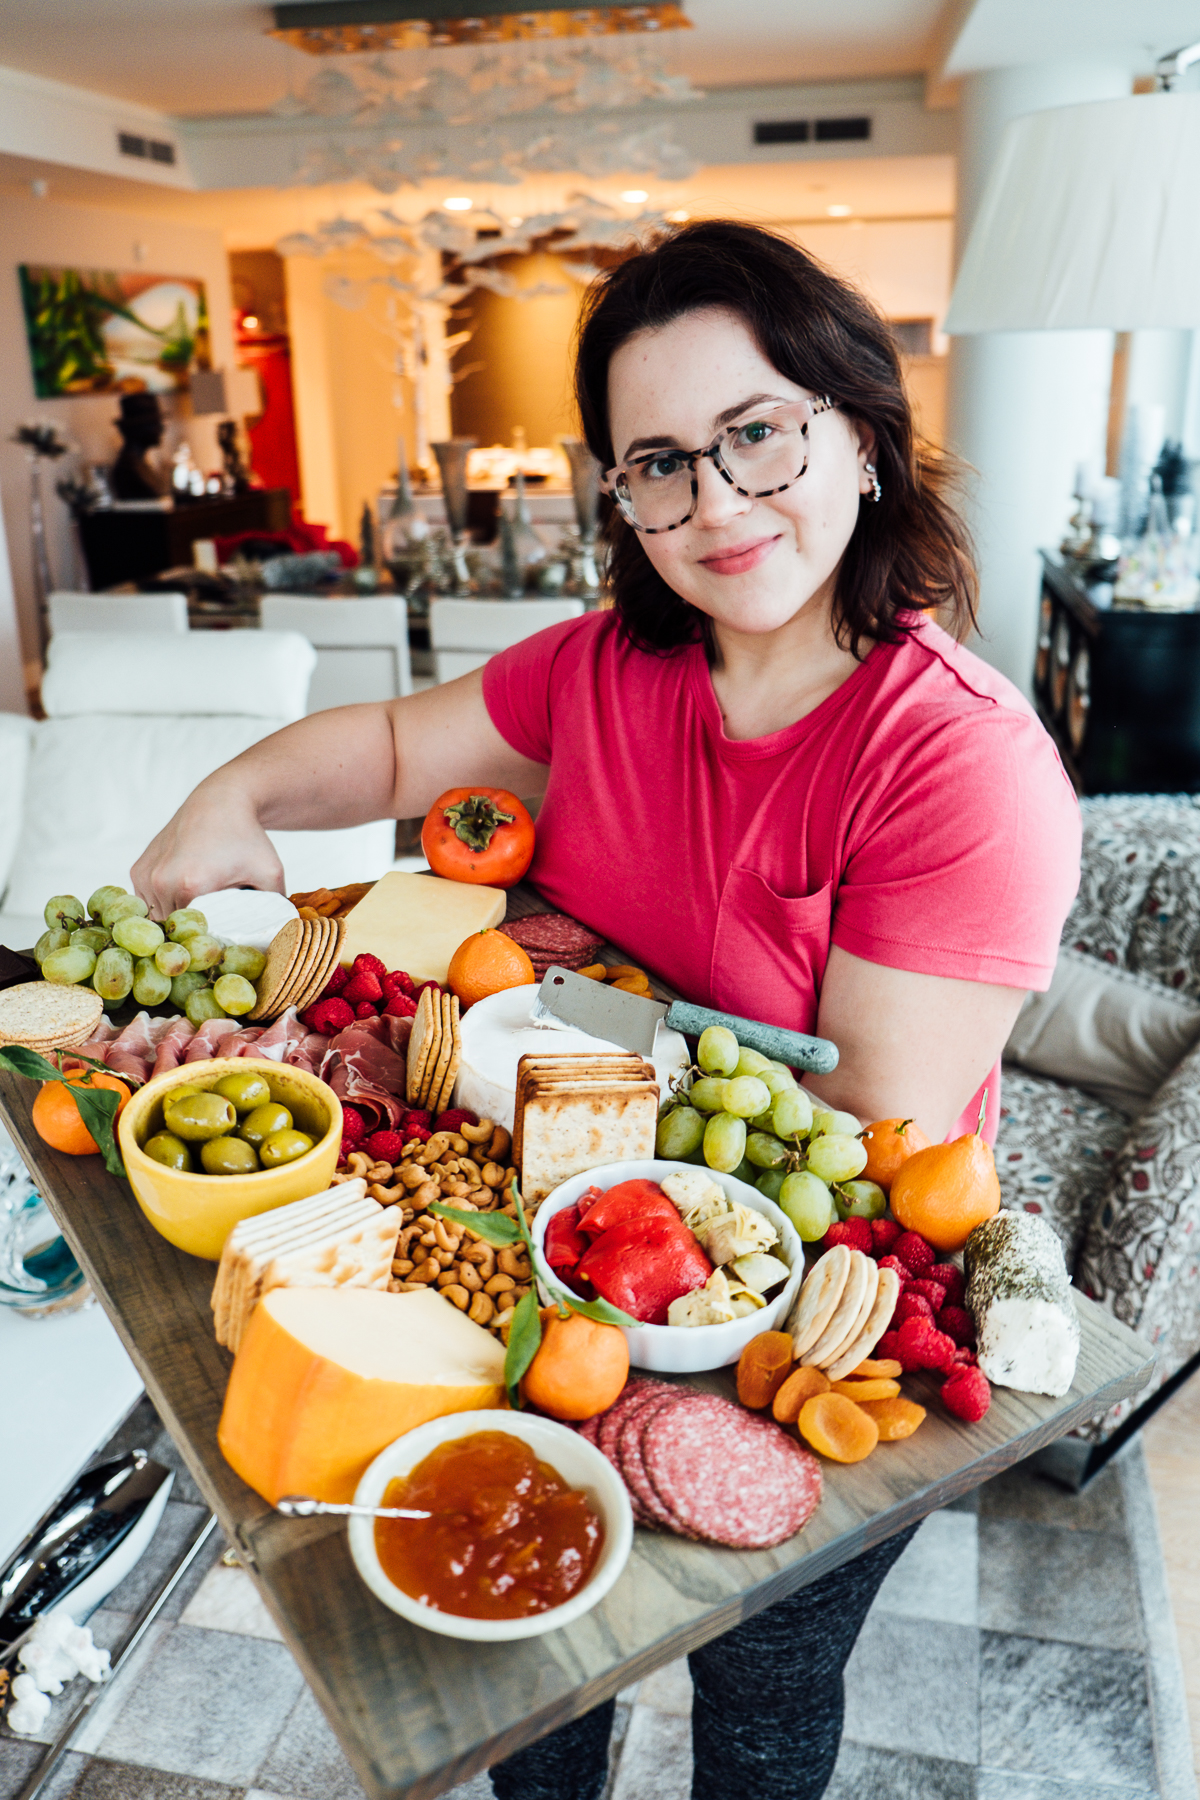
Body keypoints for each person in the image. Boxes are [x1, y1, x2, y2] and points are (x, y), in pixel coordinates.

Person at [132, 220, 1081, 1800]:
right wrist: (228, 795)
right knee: (523, 1661)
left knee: (760, 1693)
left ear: (858, 430)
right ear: (619, 497)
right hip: (558, 1241)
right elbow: (375, 752)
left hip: (799, 1292)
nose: (714, 503)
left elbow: (855, 1134)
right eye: (657, 464)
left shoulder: (959, 763)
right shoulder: (602, 671)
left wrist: (543, 1018)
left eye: (756, 434)